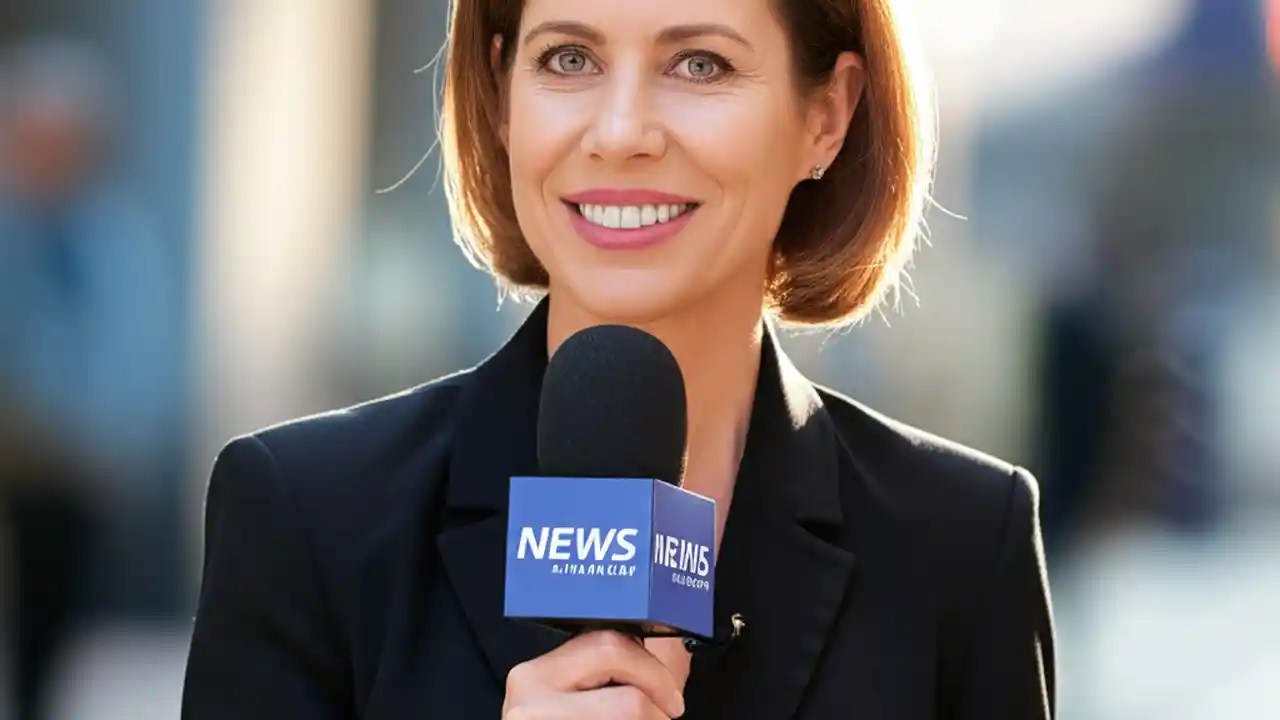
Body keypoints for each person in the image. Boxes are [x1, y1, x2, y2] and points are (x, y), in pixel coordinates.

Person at [180, 0, 1056, 717]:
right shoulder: (304, 516)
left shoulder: (965, 543)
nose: (621, 130)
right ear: (501, 93)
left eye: (700, 64)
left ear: (826, 115)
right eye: (568, 59)